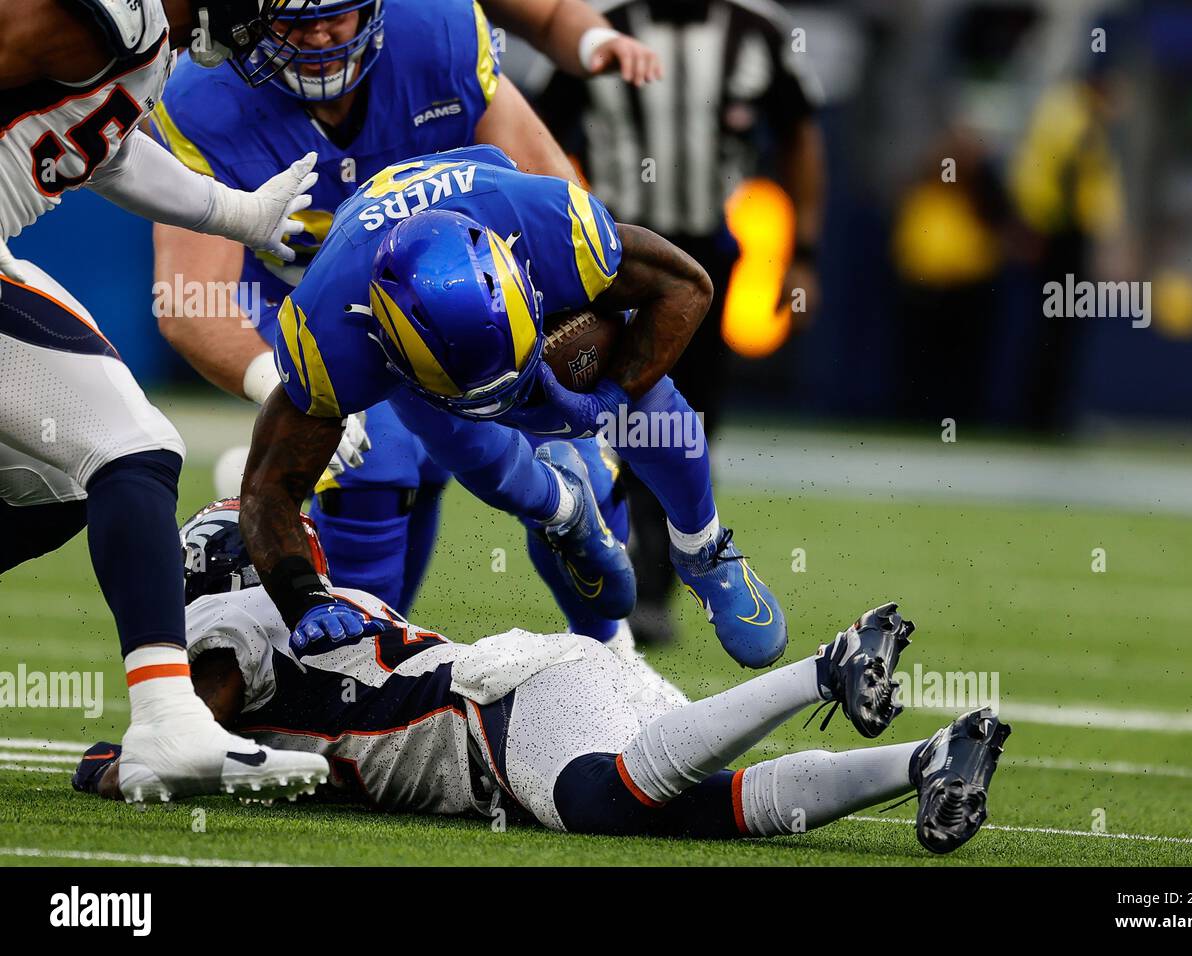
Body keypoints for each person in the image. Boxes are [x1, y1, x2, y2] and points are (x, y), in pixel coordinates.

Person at [74, 497, 1011, 854]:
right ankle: (926, 760)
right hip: (539, 682)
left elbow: (196, 733)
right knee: (694, 811)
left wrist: (119, 765)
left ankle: (826, 666)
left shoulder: (227, 616)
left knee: (604, 800)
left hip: (496, 708)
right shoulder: (300, 605)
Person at [150, 0, 663, 625]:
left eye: (337, 14)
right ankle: (359, 674)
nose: (317, 34)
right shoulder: (205, 96)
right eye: (295, 19)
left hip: (460, 290)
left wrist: (561, 312)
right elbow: (189, 301)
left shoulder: (434, 33)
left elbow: (552, 194)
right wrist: (281, 390)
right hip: (306, 304)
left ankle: (611, 655)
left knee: (580, 459)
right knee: (375, 466)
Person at [239, 145, 789, 669]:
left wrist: (612, 396)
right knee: (461, 443)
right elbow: (268, 490)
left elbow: (686, 285)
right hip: (400, 323)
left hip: (501, 253)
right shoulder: (331, 336)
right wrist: (305, 597)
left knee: (642, 398)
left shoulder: (549, 225)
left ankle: (704, 547)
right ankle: (559, 508)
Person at [0, 0, 335, 803]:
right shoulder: (114, 11)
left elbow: (102, 150)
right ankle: (165, 720)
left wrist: (237, 213)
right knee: (131, 445)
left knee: (56, 489)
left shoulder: (145, 38)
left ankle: (166, 720)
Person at [533, 0, 826, 646]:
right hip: (613, 259)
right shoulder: (595, 21)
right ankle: (620, 578)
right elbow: (535, 132)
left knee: (689, 420)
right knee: (612, 422)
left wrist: (802, 252)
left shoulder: (758, 31)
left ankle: (660, 581)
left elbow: (801, 133)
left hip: (705, 263)